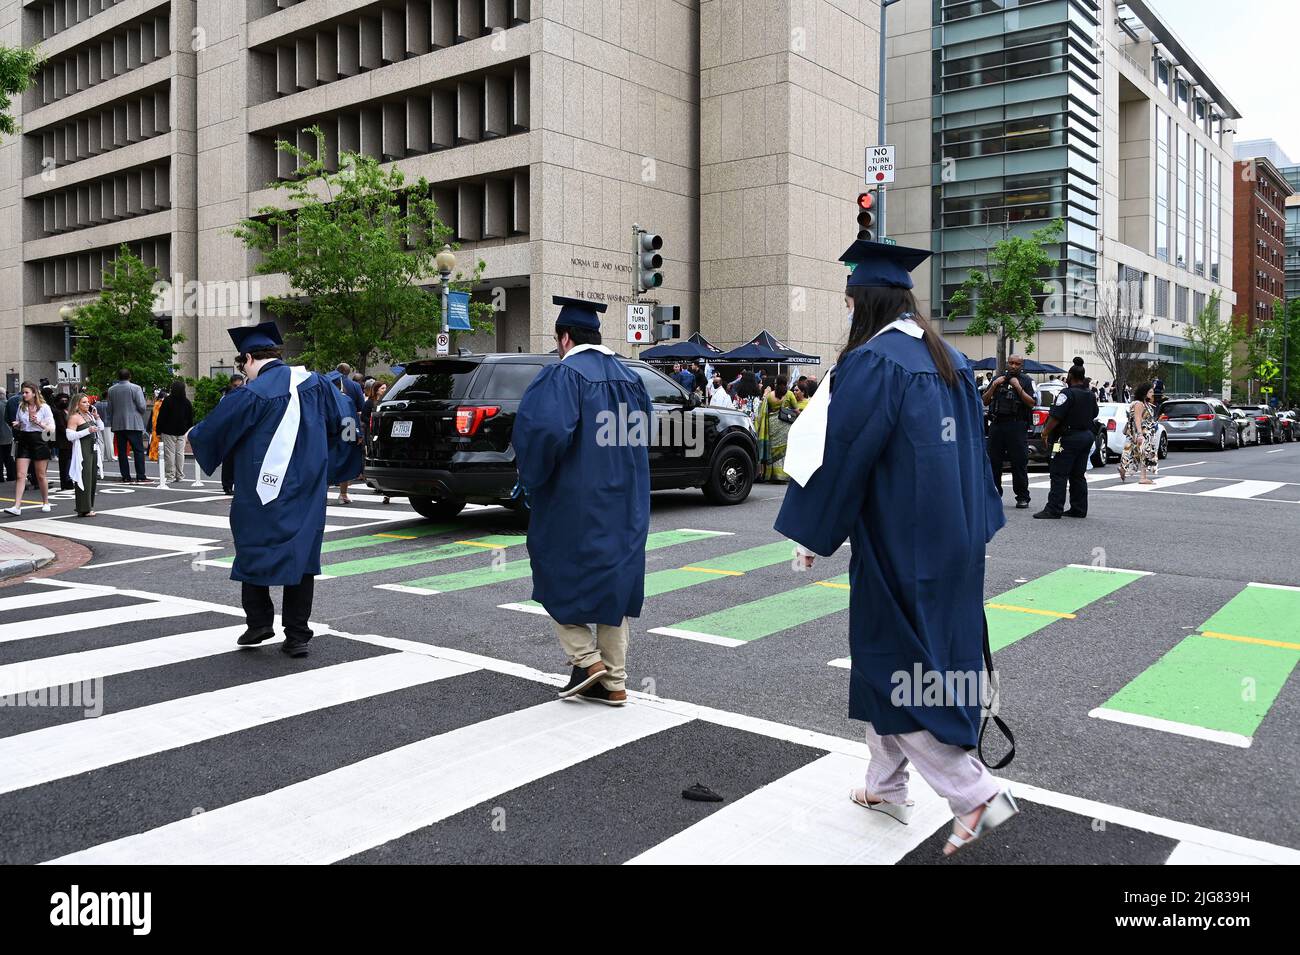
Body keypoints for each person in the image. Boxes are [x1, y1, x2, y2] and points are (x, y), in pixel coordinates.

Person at [776, 239, 1016, 857]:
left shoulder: (875, 363)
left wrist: (811, 531)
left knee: (895, 669)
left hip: (900, 547)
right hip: (955, 541)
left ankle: (976, 795)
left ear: (866, 303)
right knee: (918, 658)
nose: (847, 310)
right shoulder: (951, 362)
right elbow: (970, 460)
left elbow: (846, 453)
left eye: (850, 300)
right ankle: (884, 785)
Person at [512, 296, 652, 707]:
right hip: (626, 503)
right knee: (615, 587)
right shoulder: (632, 379)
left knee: (554, 572)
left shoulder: (562, 376)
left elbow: (542, 435)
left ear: (565, 337)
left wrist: (531, 481)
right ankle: (616, 682)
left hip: (575, 502)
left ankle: (587, 660)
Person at [188, 322, 345, 656]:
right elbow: (345, 422)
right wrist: (328, 463)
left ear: (247, 359)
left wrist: (194, 434)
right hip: (307, 491)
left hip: (261, 491)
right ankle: (298, 635)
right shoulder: (317, 383)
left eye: (242, 366)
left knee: (253, 548)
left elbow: (211, 431)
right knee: (302, 558)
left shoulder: (251, 394)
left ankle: (259, 622)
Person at [1034, 358, 1100, 519]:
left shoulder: (1067, 394)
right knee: (1078, 474)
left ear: (1070, 375)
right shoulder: (1090, 394)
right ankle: (1079, 508)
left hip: (1067, 438)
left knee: (1059, 473)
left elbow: (1056, 416)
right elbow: (1095, 413)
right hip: (1086, 436)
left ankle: (1054, 508)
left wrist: (1045, 433)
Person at [982, 354, 1035, 509]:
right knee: (994, 462)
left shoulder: (1026, 381)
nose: (1013, 366)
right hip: (997, 425)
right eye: (1011, 363)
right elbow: (985, 400)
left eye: (1017, 364)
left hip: (1017, 425)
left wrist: (1018, 387)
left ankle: (1022, 497)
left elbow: (1032, 403)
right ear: (1007, 364)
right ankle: (994, 495)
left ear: (1021, 365)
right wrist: (993, 386)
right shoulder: (997, 380)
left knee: (1019, 462)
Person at [4, 382, 55, 516]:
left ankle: (45, 502)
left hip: (39, 440)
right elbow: (21, 424)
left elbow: (52, 429)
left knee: (40, 475)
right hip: (24, 440)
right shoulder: (22, 407)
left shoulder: (44, 408)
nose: (24, 395)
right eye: (23, 392)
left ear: (34, 393)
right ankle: (17, 506)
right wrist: (18, 424)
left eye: (26, 392)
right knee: (20, 475)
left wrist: (38, 422)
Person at [325, 369, 364, 505]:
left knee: (327, 466)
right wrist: (358, 434)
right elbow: (352, 418)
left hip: (329, 438)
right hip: (345, 436)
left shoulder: (322, 399)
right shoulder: (345, 399)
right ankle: (343, 494)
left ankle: (323, 496)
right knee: (345, 464)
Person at [106, 369, 150, 483]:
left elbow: (109, 409)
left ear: (118, 377)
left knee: (122, 452)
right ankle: (141, 475)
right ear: (129, 376)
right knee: (138, 450)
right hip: (134, 423)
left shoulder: (111, 390)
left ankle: (125, 476)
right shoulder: (136, 388)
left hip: (118, 424)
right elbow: (142, 407)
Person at [756, 374, 799, 482]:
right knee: (784, 451)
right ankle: (783, 475)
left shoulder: (769, 396)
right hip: (785, 425)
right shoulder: (789, 394)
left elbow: (762, 409)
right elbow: (796, 410)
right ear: (785, 383)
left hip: (772, 425)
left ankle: (773, 475)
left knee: (773, 450)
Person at [65, 392, 100, 517]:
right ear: (77, 404)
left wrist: (97, 418)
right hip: (83, 449)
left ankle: (89, 505)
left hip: (93, 448)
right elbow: (69, 436)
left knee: (92, 477)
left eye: (88, 401)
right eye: (84, 402)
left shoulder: (89, 415)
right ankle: (83, 507)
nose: (87, 404)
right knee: (84, 476)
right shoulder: (74, 417)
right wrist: (87, 430)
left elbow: (99, 428)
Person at [1118, 381, 1158, 485]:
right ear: (1144, 392)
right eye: (1150, 391)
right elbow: (1137, 419)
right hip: (1141, 432)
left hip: (1138, 432)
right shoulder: (1139, 404)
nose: (1152, 393)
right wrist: (1140, 434)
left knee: (1131, 451)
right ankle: (1143, 477)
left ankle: (1123, 468)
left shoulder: (1143, 403)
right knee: (1143, 454)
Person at [156, 379, 194, 483]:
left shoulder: (168, 400)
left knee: (170, 453)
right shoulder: (187, 402)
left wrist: (158, 431)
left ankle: (170, 475)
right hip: (182, 431)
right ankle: (180, 475)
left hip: (168, 431)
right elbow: (190, 419)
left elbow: (161, 417)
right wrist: (188, 430)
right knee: (180, 453)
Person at [219, 373, 245, 494]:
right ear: (231, 385)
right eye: (236, 386)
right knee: (228, 461)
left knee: (241, 460)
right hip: (228, 433)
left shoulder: (246, 395)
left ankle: (238, 484)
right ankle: (227, 485)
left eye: (240, 385)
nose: (238, 388)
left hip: (242, 431)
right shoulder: (225, 398)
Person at [52, 394, 74, 491]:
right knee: (64, 463)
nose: (64, 402)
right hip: (63, 441)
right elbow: (61, 427)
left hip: (70, 440)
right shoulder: (58, 412)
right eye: (62, 400)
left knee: (69, 461)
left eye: (66, 400)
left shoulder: (69, 411)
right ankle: (65, 482)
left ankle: (68, 480)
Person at [0, 390, 13, 483]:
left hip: (1, 435)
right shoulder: (9, 404)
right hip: (10, 434)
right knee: (9, 457)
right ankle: (11, 475)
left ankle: (0, 477)